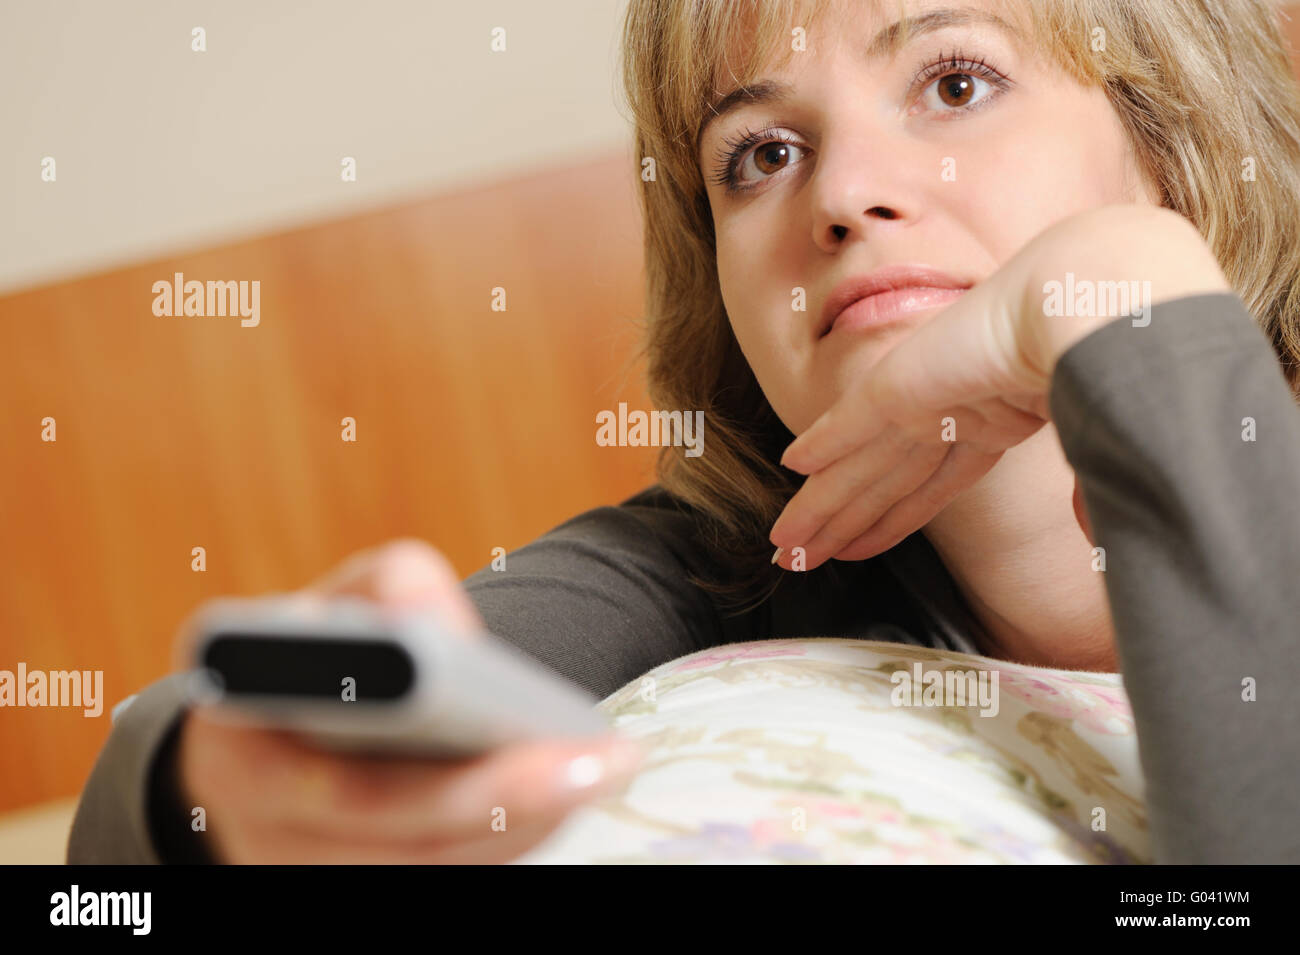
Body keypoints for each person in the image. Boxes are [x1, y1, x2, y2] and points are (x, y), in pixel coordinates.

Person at [68, 0, 1300, 864]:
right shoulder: (717, 565)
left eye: (954, 82)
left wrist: (1137, 312)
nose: (840, 193)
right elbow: (136, 811)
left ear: (1168, 151)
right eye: (760, 153)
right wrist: (214, 792)